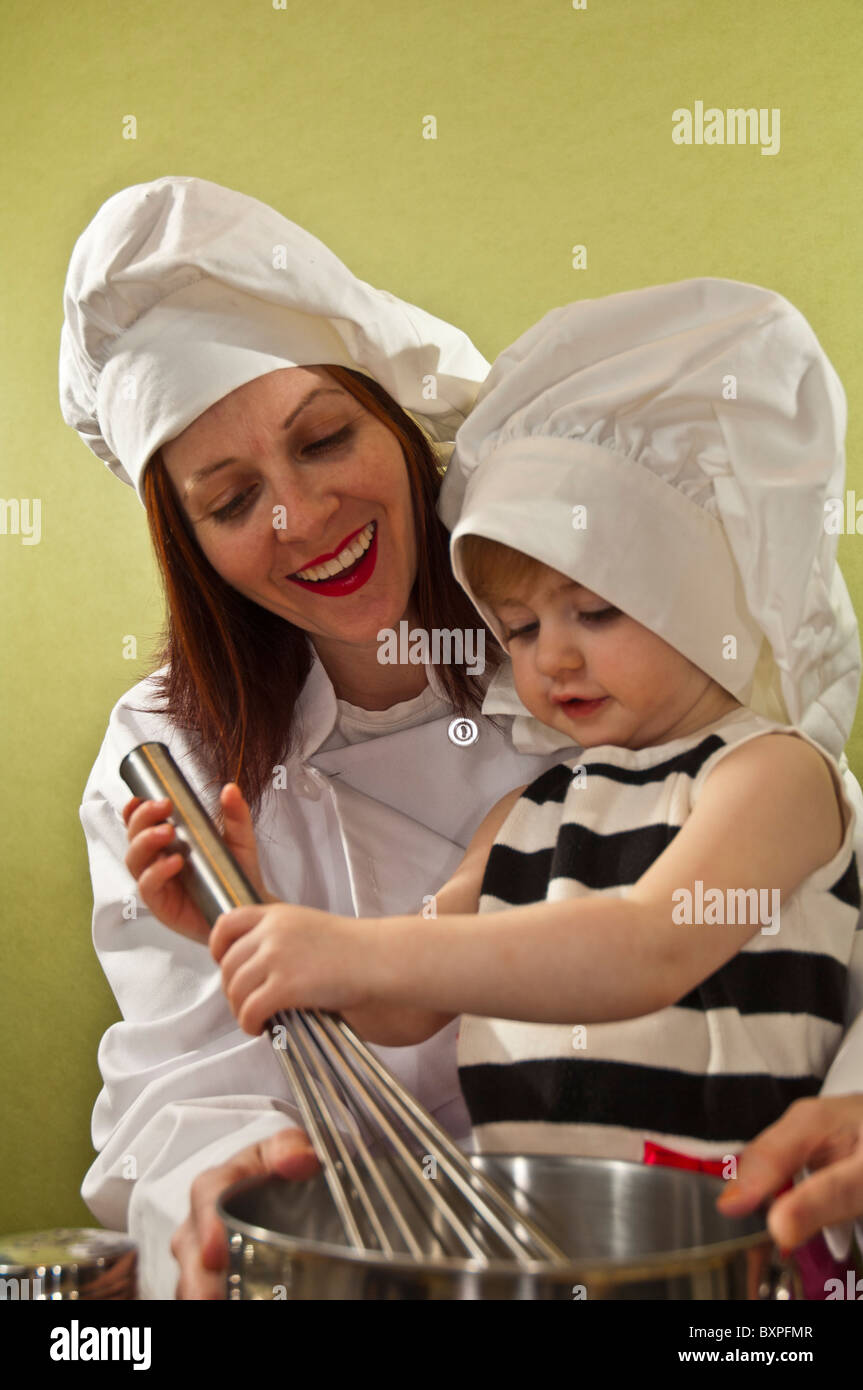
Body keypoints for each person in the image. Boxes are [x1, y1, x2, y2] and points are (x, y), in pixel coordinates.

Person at [62, 180, 863, 1299]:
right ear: (187, 541)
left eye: (326, 438)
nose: (300, 516)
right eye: (233, 499)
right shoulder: (184, 756)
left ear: (393, 417)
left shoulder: (714, 744)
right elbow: (297, 1034)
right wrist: (239, 932)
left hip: (720, 1246)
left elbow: (643, 942)